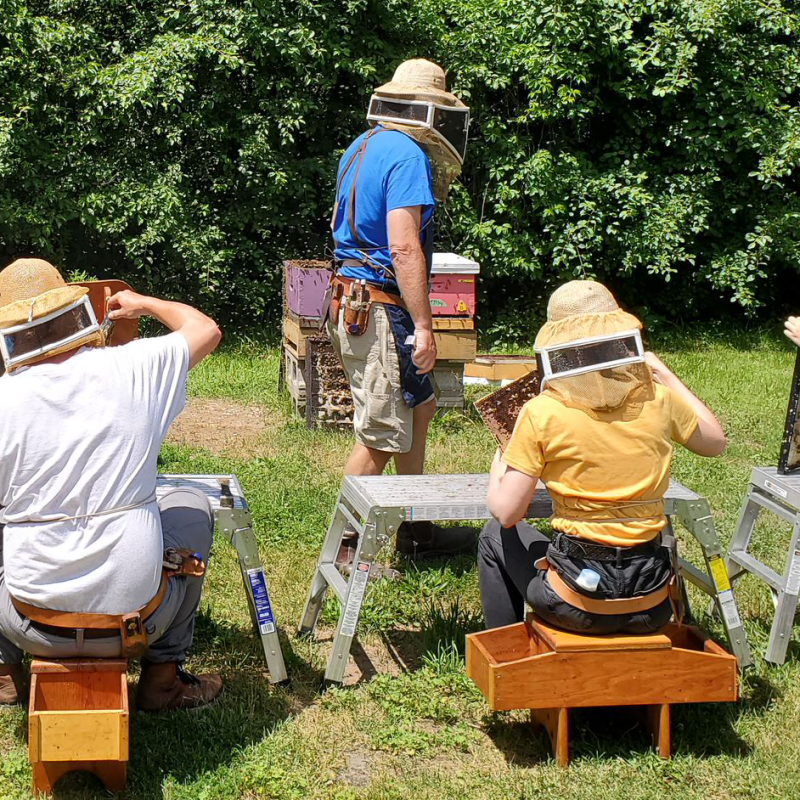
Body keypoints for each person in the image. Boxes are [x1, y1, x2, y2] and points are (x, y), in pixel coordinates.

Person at [0, 258, 223, 710]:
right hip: (137, 622)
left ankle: (5, 673)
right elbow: (205, 329)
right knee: (192, 509)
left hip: (29, 626)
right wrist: (143, 303)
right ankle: (163, 678)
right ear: (76, 313)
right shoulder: (136, 366)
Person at [478, 280, 727, 633]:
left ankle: (503, 654)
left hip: (578, 604)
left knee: (492, 535)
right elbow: (715, 442)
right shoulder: (658, 399)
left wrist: (498, 469)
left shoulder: (542, 411)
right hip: (651, 602)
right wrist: (665, 374)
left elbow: (506, 512)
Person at [328, 58, 474, 563]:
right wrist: (427, 325)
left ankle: (419, 532)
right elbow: (404, 247)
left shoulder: (361, 147)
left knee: (420, 406)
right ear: (431, 111)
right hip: (379, 305)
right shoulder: (408, 154)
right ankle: (345, 552)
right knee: (382, 434)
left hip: (352, 299)